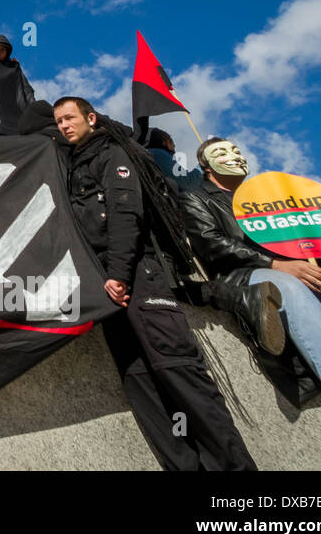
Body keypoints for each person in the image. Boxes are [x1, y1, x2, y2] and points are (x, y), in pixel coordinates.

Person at [52, 97, 255, 470]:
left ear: (91, 118)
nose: (64, 126)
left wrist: (119, 273)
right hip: (107, 290)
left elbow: (125, 214)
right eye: (59, 121)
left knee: (180, 374)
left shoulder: (112, 153)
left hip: (138, 278)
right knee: (141, 383)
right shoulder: (72, 163)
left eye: (70, 118)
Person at [179, 136, 321, 450]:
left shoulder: (272, 195)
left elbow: (304, 234)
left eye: (237, 150)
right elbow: (211, 244)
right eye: (221, 153)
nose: (234, 156)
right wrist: (274, 263)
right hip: (251, 273)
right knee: (287, 288)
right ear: (206, 167)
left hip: (313, 270)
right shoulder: (195, 199)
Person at [0, 34, 36, 106]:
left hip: (9, 109)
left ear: (7, 52)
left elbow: (26, 90)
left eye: (2, 50)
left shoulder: (13, 69)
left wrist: (34, 109)